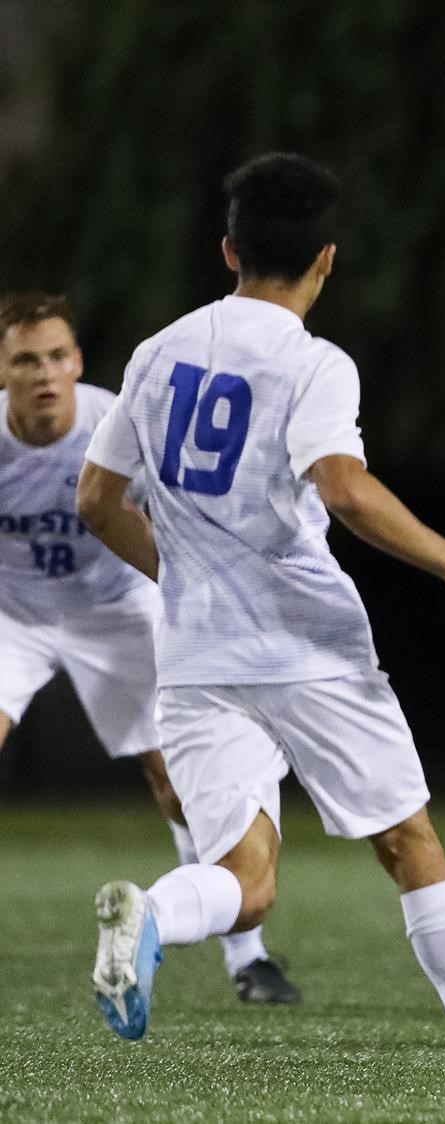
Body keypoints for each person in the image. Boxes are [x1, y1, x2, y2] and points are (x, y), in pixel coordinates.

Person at [75, 153, 445, 1114]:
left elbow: (98, 499)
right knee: (410, 842)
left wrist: (182, 579)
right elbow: (342, 485)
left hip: (196, 656)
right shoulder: (313, 363)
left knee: (244, 887)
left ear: (229, 250)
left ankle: (156, 917)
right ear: (327, 261)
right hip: (308, 651)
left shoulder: (157, 351)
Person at [1, 293, 302, 1004]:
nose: (44, 372)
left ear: (76, 362)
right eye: (24, 359)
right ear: (3, 369)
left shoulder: (113, 421)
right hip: (12, 615)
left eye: (55, 357)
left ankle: (246, 957)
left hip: (119, 609)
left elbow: (183, 514)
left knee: (176, 781)